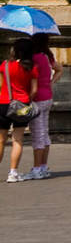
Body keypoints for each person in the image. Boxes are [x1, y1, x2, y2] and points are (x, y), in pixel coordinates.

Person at [2, 41, 36, 182]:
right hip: (21, 104)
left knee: (0, 139)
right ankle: (13, 173)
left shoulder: (5, 65)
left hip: (3, 103)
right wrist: (28, 100)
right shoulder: (31, 67)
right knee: (18, 139)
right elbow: (34, 90)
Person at [23, 42, 57, 179]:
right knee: (44, 133)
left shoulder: (33, 59)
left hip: (36, 99)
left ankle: (37, 168)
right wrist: (51, 82)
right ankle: (43, 166)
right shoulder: (46, 57)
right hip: (47, 96)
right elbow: (59, 69)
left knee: (37, 134)